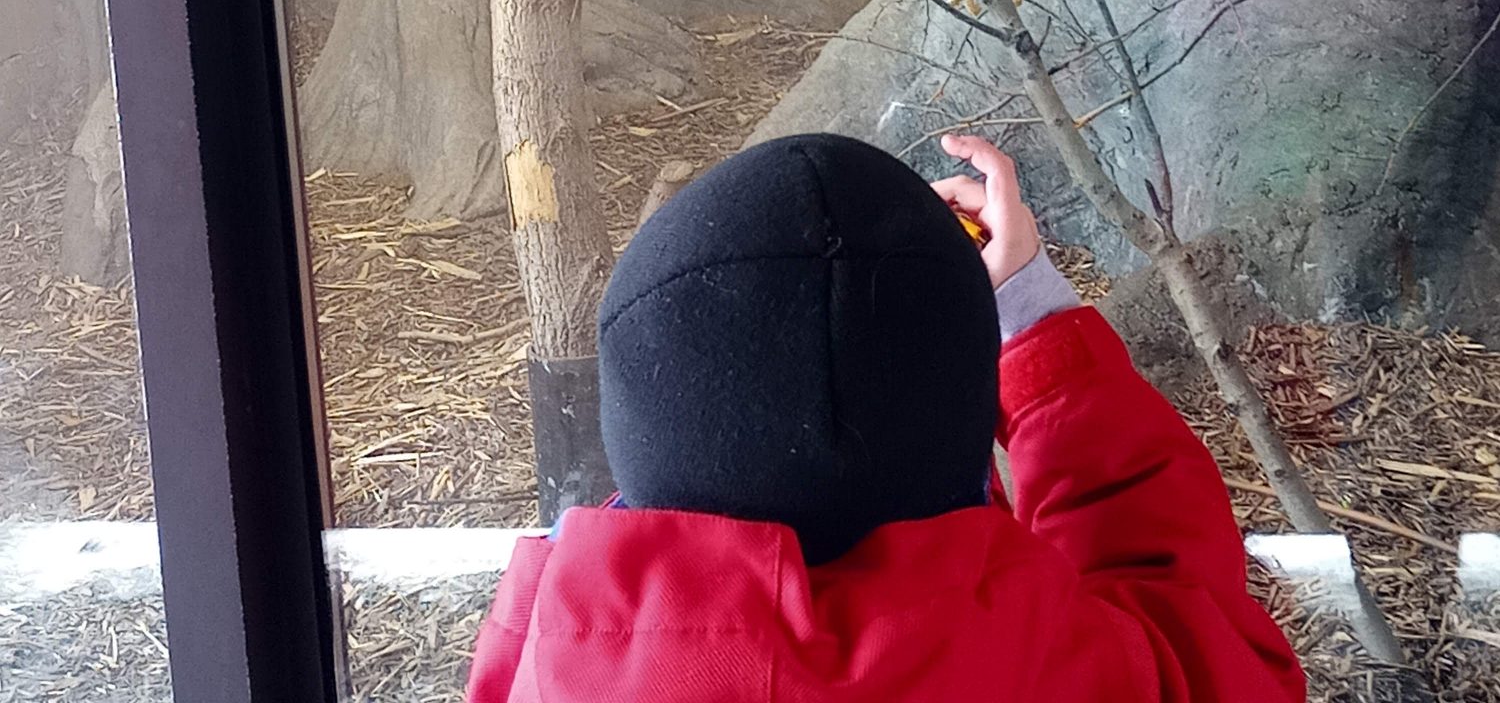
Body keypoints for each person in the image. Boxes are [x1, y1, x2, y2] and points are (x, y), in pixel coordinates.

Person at [466, 131, 1305, 702]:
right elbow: (1199, 624)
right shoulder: (1066, 671)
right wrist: (1032, 317)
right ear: (960, 437)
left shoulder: (557, 660)